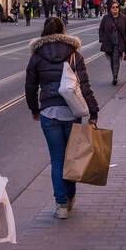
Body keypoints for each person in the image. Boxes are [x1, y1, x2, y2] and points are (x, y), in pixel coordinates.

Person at [25, 16, 99, 218]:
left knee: (57, 159)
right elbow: (84, 86)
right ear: (63, 31)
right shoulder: (75, 55)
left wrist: (34, 108)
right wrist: (93, 112)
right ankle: (71, 196)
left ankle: (61, 205)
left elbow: (30, 87)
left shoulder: (37, 56)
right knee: (71, 157)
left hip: (49, 112)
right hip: (72, 112)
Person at [99, 0, 126, 86]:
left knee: (116, 59)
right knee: (112, 60)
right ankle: (114, 75)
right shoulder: (106, 18)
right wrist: (102, 39)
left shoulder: (123, 18)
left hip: (119, 43)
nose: (115, 9)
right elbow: (101, 29)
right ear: (110, 9)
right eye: (113, 7)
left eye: (117, 7)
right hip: (109, 42)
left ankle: (115, 77)